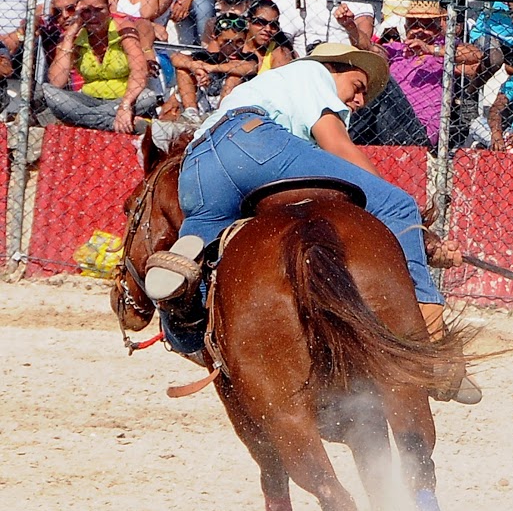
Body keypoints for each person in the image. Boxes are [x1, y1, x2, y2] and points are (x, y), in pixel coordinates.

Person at [142, 43, 481, 403]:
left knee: (205, 271)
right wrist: (412, 227)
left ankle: (182, 326)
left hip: (198, 166)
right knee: (396, 204)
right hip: (254, 141)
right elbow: (338, 147)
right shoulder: (314, 74)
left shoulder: (271, 89)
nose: (360, 101)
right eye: (357, 87)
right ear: (334, 66)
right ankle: (432, 340)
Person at [39, 0, 158, 133]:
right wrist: (70, 34)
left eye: (98, 10)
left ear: (109, 8)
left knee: (147, 97)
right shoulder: (75, 36)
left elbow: (139, 71)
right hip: (89, 100)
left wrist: (125, 105)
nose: (93, 16)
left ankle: (89, 121)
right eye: (86, 11)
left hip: (124, 97)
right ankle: (111, 122)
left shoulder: (123, 28)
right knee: (50, 93)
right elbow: (57, 82)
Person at [382, 0, 483, 142]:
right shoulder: (396, 49)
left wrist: (430, 49)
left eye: (426, 25)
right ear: (405, 26)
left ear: (438, 27)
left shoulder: (446, 51)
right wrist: (352, 28)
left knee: (386, 88)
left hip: (420, 127)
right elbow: (370, 49)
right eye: (414, 24)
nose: (419, 30)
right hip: (387, 119)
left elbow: (477, 57)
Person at [167, 12, 257, 119]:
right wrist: (194, 67)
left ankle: (220, 115)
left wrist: (211, 68)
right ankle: (191, 113)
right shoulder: (209, 57)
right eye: (227, 42)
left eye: (239, 42)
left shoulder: (248, 57)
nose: (233, 47)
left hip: (232, 106)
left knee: (235, 76)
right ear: (215, 38)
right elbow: (176, 57)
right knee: (183, 70)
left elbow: (250, 67)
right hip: (205, 102)